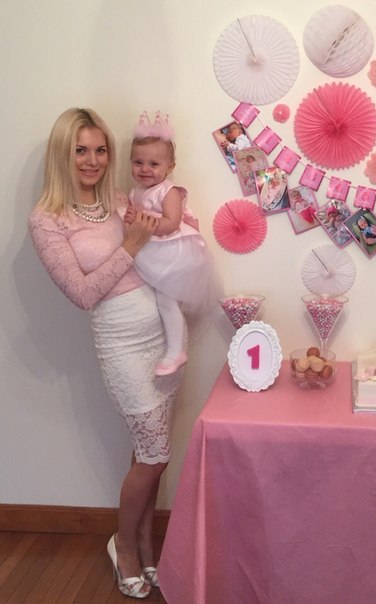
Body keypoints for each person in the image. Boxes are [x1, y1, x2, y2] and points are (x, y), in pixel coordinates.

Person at [28, 108, 184, 599]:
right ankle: (124, 545)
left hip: (162, 336)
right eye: (80, 150)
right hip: (120, 342)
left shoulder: (119, 199)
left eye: (100, 150)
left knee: (151, 453)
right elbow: (82, 293)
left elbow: (161, 241)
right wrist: (131, 245)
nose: (92, 160)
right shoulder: (46, 220)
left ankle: (145, 542)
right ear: (62, 154)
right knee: (155, 455)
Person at [128, 112, 210, 375]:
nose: (145, 169)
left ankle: (176, 351)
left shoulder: (169, 191)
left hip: (172, 253)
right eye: (138, 162)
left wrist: (142, 221)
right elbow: (134, 224)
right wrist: (131, 220)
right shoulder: (135, 191)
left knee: (166, 301)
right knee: (155, 300)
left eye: (154, 164)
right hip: (151, 252)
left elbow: (171, 223)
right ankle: (167, 348)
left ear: (170, 167)